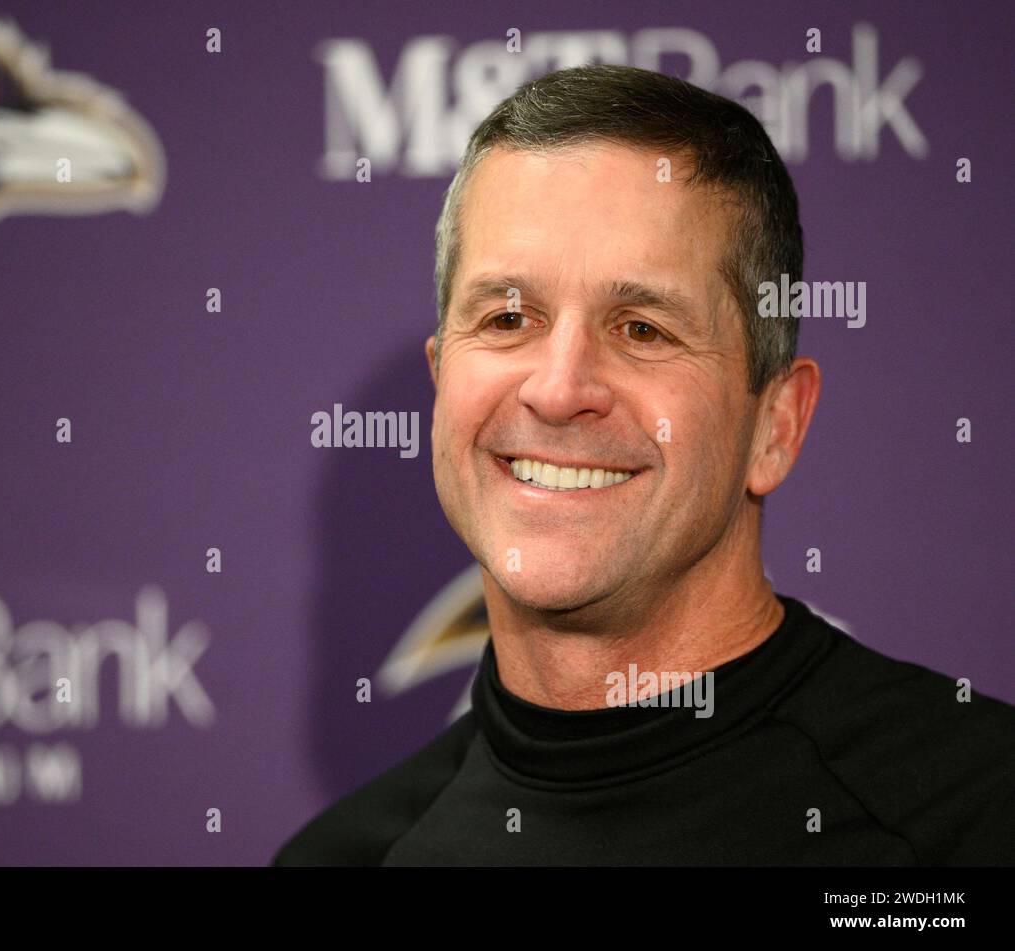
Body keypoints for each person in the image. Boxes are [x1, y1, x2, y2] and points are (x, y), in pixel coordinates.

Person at [272, 64, 1015, 865]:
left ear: (776, 425)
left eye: (642, 330)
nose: (559, 391)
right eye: (508, 316)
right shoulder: (343, 857)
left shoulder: (974, 816)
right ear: (441, 380)